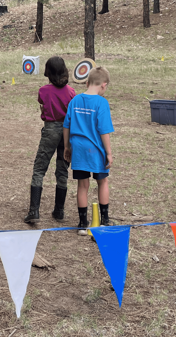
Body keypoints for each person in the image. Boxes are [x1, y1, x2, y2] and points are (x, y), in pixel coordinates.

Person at [63, 66, 114, 236]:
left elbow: (66, 126)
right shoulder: (102, 102)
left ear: (86, 82)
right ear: (103, 86)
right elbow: (103, 130)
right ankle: (105, 221)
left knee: (82, 185)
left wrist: (66, 146)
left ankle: (82, 224)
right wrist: (108, 152)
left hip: (78, 148)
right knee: (103, 182)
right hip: (96, 149)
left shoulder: (75, 100)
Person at [24, 57, 76, 224]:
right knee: (62, 169)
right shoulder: (71, 92)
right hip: (68, 131)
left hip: (51, 129)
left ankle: (34, 211)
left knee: (39, 168)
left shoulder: (43, 90)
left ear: (48, 72)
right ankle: (59, 211)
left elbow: (42, 101)